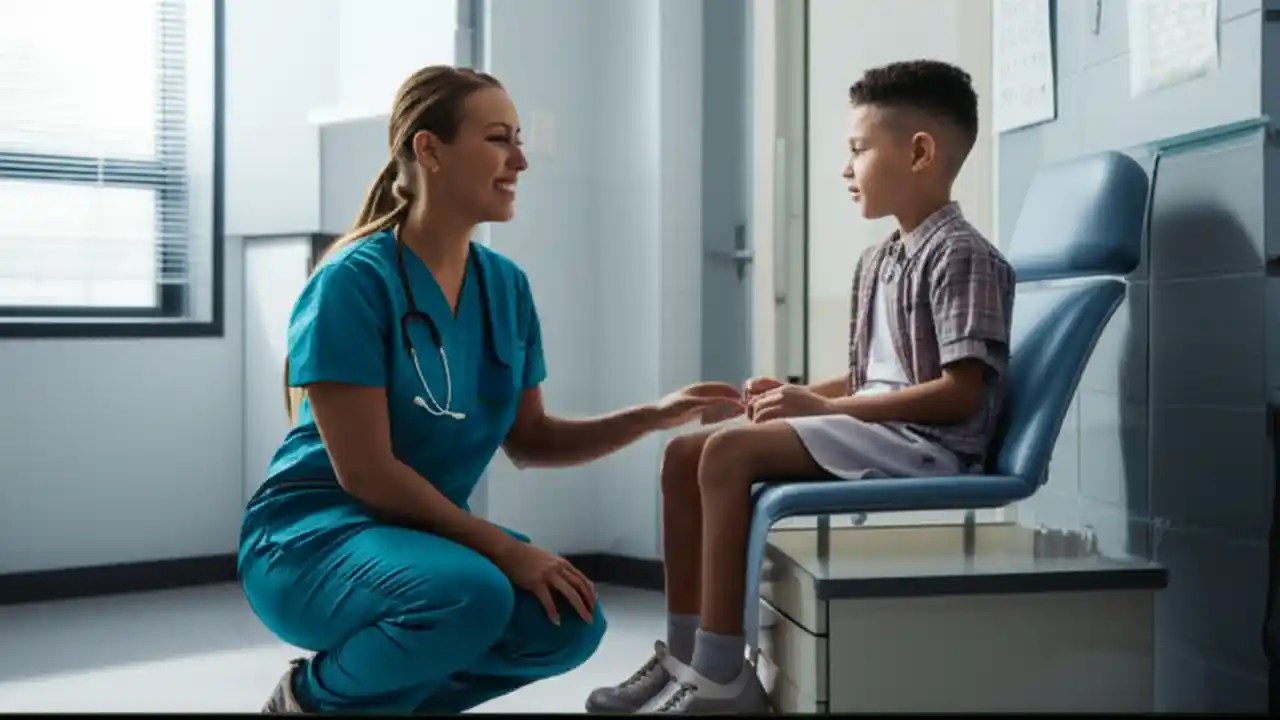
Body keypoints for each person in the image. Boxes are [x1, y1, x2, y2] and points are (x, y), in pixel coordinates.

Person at [237, 65, 742, 714]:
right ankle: (304, 702)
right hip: (310, 539)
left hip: (419, 542)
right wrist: (504, 549)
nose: (520, 161)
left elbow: (532, 440)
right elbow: (365, 473)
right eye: (499, 139)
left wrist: (654, 415)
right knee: (470, 595)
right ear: (429, 150)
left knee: (565, 619)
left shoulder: (506, 287)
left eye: (518, 140)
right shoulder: (352, 283)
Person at [586, 59, 1016, 714]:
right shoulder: (880, 258)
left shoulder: (962, 254)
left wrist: (820, 407)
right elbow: (872, 376)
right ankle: (685, 655)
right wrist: (798, 396)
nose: (846, 169)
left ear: (919, 152)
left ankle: (722, 677)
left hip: (931, 444)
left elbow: (960, 395)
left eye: (858, 149)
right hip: (884, 428)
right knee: (683, 453)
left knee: (728, 452)